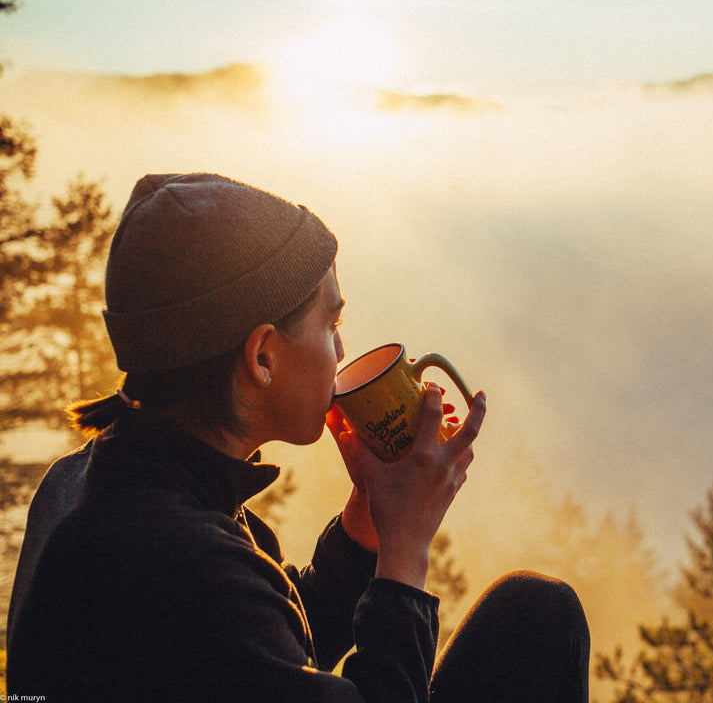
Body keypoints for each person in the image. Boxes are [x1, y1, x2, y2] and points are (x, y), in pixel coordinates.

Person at [5, 173, 590, 702]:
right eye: (331, 323)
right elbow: (240, 620)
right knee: (546, 620)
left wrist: (366, 526)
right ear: (262, 356)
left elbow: (270, 647)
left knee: (532, 616)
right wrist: (406, 551)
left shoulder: (92, 485)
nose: (341, 351)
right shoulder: (189, 566)